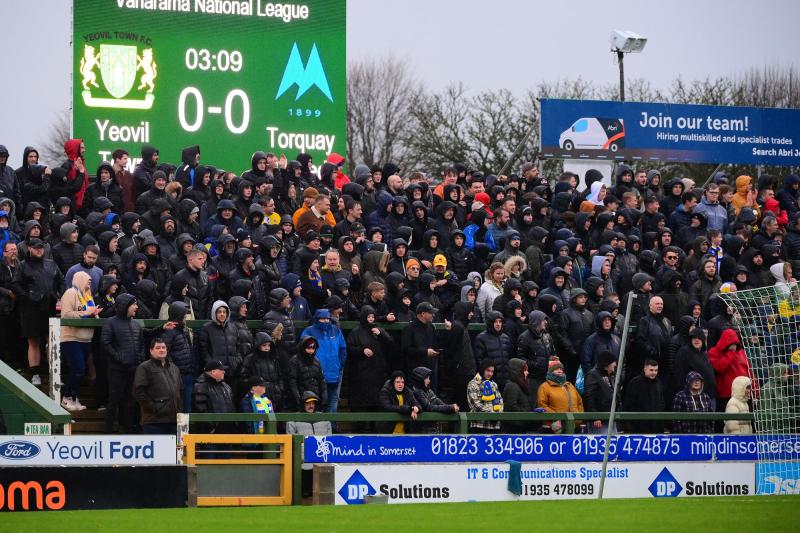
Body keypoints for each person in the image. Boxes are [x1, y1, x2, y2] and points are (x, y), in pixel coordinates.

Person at [12, 238, 63, 385]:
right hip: (30, 310)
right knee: (33, 341)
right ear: (29, 248)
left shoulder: (51, 264)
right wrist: (27, 297)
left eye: (41, 247)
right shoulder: (22, 265)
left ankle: (54, 373)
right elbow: (15, 284)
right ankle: (35, 373)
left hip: (50, 307)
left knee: (51, 341)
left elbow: (61, 280)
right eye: (36, 248)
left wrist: (61, 294)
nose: (39, 250)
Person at [101, 293, 144, 433]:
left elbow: (142, 341)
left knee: (130, 402)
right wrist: (119, 358)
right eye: (133, 304)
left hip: (133, 368)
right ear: (126, 306)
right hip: (117, 369)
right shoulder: (110, 322)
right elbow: (105, 343)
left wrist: (140, 359)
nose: (136, 307)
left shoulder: (136, 324)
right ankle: (107, 431)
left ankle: (128, 430)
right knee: (114, 400)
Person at [59, 271, 101, 411]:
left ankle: (75, 398)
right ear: (79, 279)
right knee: (78, 368)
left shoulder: (88, 297)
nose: (90, 283)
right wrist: (87, 312)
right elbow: (66, 315)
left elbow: (89, 313)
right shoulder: (70, 293)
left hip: (86, 339)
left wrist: (94, 314)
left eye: (91, 281)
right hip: (71, 338)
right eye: (87, 280)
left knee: (81, 371)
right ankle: (66, 398)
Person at [286, 391, 332, 498]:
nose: (311, 406)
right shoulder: (293, 420)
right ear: (303, 404)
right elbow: (290, 440)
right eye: (308, 403)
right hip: (302, 457)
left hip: (321, 456)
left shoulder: (324, 418)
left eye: (313, 403)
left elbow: (330, 439)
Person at [301, 308, 347, 413]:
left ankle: (331, 427)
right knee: (318, 402)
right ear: (317, 319)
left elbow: (343, 349)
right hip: (316, 375)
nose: (325, 321)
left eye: (327, 318)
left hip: (333, 373)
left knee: (333, 401)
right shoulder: (309, 331)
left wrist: (339, 365)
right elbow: (303, 350)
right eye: (322, 318)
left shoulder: (336, 330)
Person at [133, 338, 181, 434]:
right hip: (153, 422)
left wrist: (179, 410)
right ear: (151, 351)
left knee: (172, 449)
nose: (161, 350)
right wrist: (154, 408)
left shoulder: (174, 368)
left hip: (173, 420)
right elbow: (138, 392)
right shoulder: (144, 367)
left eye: (163, 347)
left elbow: (180, 390)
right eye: (158, 348)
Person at [241, 332, 287, 413]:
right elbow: (243, 377)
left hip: (275, 397)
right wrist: (253, 388)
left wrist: (280, 388)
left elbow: (279, 376)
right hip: (258, 398)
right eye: (264, 345)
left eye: (269, 345)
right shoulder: (250, 359)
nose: (267, 348)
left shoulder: (273, 359)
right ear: (258, 345)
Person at [536, 357, 584, 433]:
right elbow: (542, 405)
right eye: (556, 369)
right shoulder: (544, 386)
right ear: (550, 371)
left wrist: (579, 418)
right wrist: (556, 418)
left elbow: (579, 402)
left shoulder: (569, 385)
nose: (559, 370)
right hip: (553, 427)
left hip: (573, 425)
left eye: (561, 369)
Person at [410, 366, 459, 433]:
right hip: (423, 429)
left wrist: (451, 408)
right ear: (420, 379)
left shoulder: (428, 390)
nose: (429, 380)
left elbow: (437, 401)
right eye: (426, 378)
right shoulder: (417, 392)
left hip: (434, 427)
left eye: (429, 378)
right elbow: (429, 407)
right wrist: (450, 407)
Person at [192, 359, 236, 433]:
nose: (224, 371)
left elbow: (232, 406)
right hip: (210, 435)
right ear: (213, 372)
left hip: (228, 432)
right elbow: (201, 410)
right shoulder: (201, 386)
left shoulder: (226, 386)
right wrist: (211, 428)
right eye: (221, 369)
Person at [623, 360, 665, 434]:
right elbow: (629, 404)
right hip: (638, 426)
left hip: (656, 426)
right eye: (651, 370)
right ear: (645, 369)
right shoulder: (635, 382)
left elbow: (661, 402)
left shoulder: (658, 383)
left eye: (656, 370)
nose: (654, 372)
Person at [288, 336, 327, 411]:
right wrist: (298, 400)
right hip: (301, 400)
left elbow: (322, 381)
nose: (311, 351)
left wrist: (324, 397)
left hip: (315, 400)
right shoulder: (294, 361)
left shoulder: (317, 361)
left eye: (313, 348)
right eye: (308, 348)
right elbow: (292, 383)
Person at [583, 351, 617, 434]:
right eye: (613, 363)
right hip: (599, 421)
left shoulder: (610, 375)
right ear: (607, 363)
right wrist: (595, 416)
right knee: (603, 445)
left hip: (610, 417)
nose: (615, 366)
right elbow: (589, 397)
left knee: (613, 444)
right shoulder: (592, 375)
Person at [467, 359, 503, 433]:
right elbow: (476, 405)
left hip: (495, 426)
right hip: (479, 426)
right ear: (482, 369)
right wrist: (492, 413)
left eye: (492, 371)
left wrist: (498, 413)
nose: (490, 374)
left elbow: (500, 401)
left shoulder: (494, 384)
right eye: (488, 370)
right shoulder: (473, 384)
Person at [502, 358, 534, 433]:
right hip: (514, 427)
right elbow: (511, 406)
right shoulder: (512, 386)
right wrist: (526, 413)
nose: (527, 373)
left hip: (521, 425)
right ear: (518, 371)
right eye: (525, 370)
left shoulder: (520, 385)